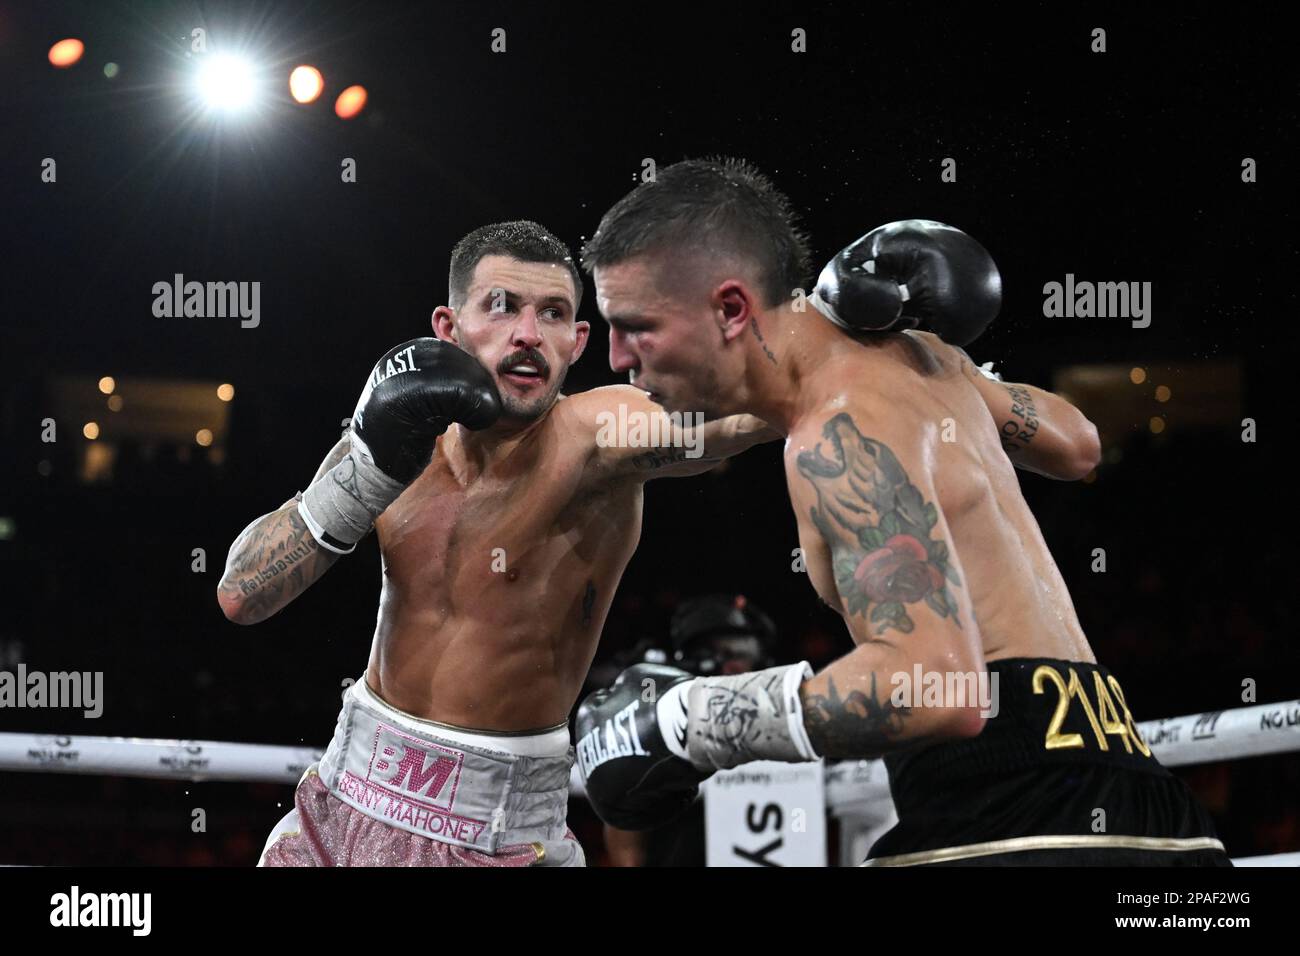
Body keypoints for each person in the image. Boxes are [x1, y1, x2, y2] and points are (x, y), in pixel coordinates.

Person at [576, 159, 1230, 866]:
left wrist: (695, 722)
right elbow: (1076, 444)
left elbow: (941, 690)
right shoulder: (918, 358)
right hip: (1147, 801)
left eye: (635, 327)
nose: (616, 357)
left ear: (732, 309)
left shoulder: (836, 433)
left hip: (1011, 814)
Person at [217, 221, 782, 866]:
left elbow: (739, 416)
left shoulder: (598, 437)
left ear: (578, 341)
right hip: (342, 801)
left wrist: (834, 331)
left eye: (553, 313)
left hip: (496, 833)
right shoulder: (396, 436)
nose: (528, 334)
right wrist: (366, 474)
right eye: (502, 306)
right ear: (449, 328)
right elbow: (242, 595)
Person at [603, 594, 777, 866]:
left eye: (743, 653)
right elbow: (625, 818)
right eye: (723, 653)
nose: (733, 666)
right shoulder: (661, 718)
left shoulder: (776, 712)